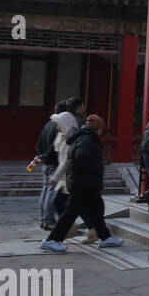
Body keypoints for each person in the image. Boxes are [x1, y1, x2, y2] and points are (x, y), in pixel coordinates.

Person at [41, 114, 123, 252]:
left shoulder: (82, 138)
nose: (101, 133)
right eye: (101, 130)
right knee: (70, 213)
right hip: (83, 183)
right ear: (97, 129)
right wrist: (95, 168)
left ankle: (105, 237)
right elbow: (81, 159)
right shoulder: (87, 140)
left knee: (97, 211)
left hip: (84, 182)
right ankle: (52, 240)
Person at [49, 98, 87, 236]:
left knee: (62, 203)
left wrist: (55, 177)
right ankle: (94, 230)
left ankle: (64, 233)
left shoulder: (69, 140)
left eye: (59, 124)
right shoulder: (64, 137)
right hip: (68, 178)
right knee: (77, 206)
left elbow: (66, 160)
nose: (57, 127)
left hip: (71, 178)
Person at [33, 104, 64, 231]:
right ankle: (49, 220)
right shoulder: (59, 126)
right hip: (53, 162)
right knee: (52, 191)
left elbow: (39, 143)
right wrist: (47, 156)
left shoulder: (48, 124)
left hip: (46, 162)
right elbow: (54, 146)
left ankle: (44, 218)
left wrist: (41, 156)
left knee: (46, 190)